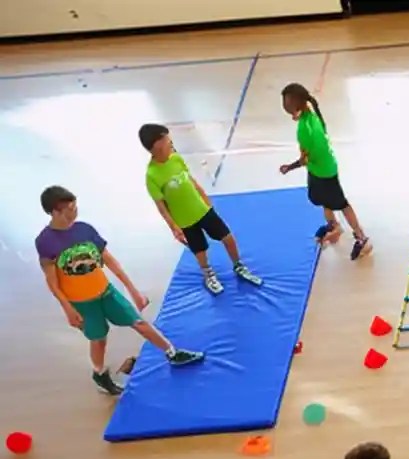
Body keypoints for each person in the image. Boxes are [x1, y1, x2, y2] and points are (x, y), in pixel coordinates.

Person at [35, 186, 204, 395]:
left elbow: (111, 261)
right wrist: (68, 309)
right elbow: (52, 282)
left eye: (75, 206)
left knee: (139, 323)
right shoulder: (45, 242)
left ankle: (172, 352)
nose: (74, 212)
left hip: (106, 292)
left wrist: (133, 291)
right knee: (99, 339)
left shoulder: (85, 229)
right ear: (54, 212)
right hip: (82, 303)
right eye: (69, 209)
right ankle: (99, 373)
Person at [140, 123, 262, 294]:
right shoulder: (152, 176)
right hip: (185, 220)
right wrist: (174, 228)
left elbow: (190, 179)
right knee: (200, 249)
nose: (170, 142)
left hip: (202, 209)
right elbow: (161, 206)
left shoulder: (175, 158)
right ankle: (208, 274)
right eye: (167, 139)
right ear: (156, 144)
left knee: (227, 237)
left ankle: (238, 265)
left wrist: (205, 199)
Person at [279, 83, 372, 260]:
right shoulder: (312, 116)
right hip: (318, 170)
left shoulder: (306, 130)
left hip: (325, 172)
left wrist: (288, 168)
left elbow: (305, 159)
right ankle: (333, 226)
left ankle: (362, 238)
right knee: (323, 200)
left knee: (342, 204)